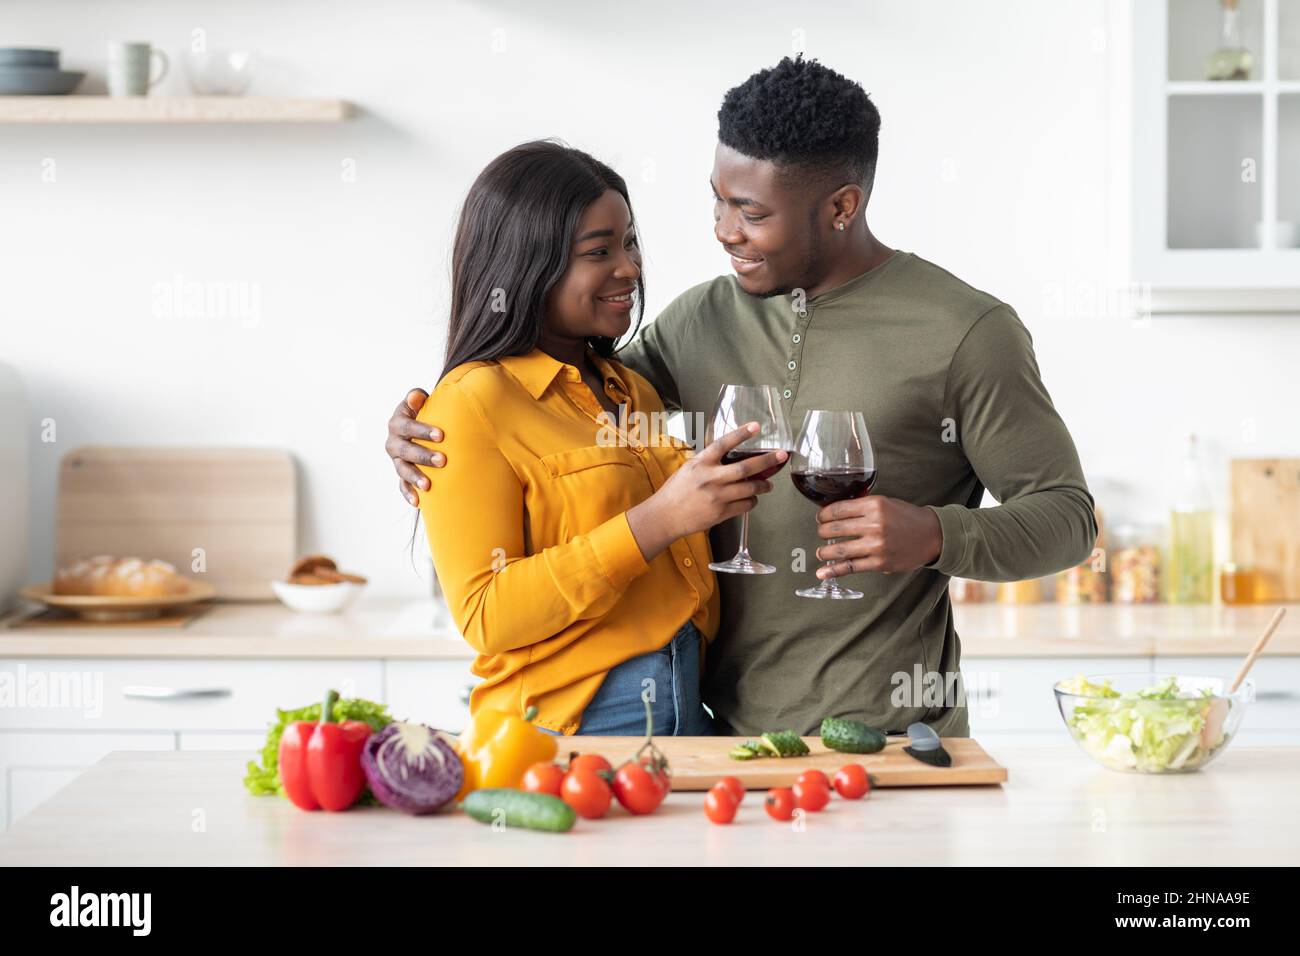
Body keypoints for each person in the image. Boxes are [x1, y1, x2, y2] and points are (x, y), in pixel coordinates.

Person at [388, 58, 1097, 738]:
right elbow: (554, 412)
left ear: (842, 206)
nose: (725, 230)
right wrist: (427, 433)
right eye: (718, 201)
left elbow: (1069, 519)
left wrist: (937, 535)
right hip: (711, 737)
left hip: (889, 738)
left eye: (751, 213)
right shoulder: (697, 320)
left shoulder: (967, 331)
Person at [411, 140, 785, 737]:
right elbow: (486, 614)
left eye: (629, 242)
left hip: (687, 698)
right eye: (599, 252)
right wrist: (661, 519)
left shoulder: (631, 389)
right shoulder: (471, 403)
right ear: (527, 265)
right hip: (577, 721)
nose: (630, 268)